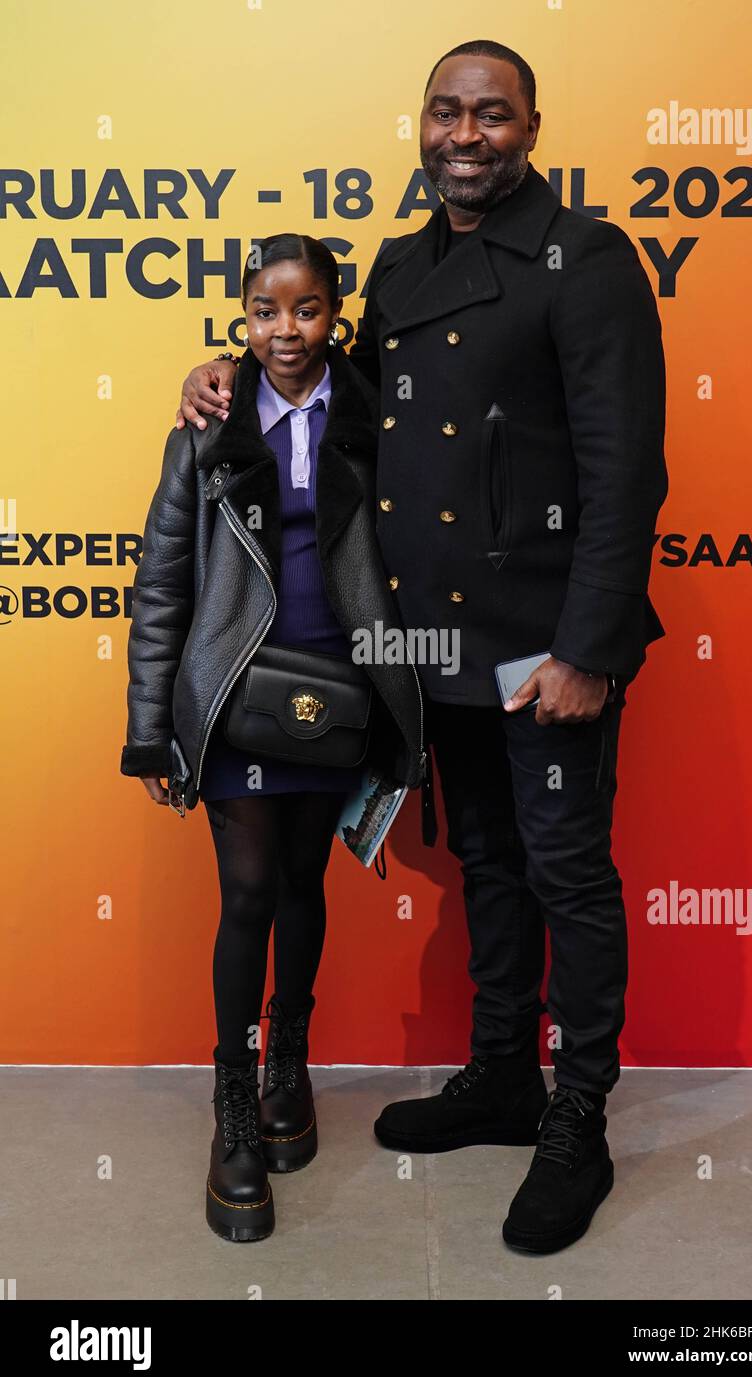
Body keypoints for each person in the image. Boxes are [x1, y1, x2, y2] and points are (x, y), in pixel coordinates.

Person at [174, 39, 669, 1255]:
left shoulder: (587, 260)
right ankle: (501, 1072)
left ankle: (579, 1120)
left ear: (533, 129)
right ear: (421, 124)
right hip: (427, 645)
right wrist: (227, 379)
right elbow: (327, 390)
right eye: (447, 111)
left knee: (567, 872)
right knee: (492, 865)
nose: (466, 134)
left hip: (544, 643)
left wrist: (590, 646)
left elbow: (625, 473)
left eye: (492, 115)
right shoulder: (396, 269)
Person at [120, 233, 424, 1243]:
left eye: (304, 311)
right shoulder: (207, 423)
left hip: (338, 692)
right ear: (239, 315)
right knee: (247, 891)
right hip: (237, 693)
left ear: (335, 314)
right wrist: (152, 726)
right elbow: (163, 584)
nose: (283, 332)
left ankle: (291, 1060)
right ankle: (237, 1101)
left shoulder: (378, 415)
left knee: (305, 884)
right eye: (262, 311)